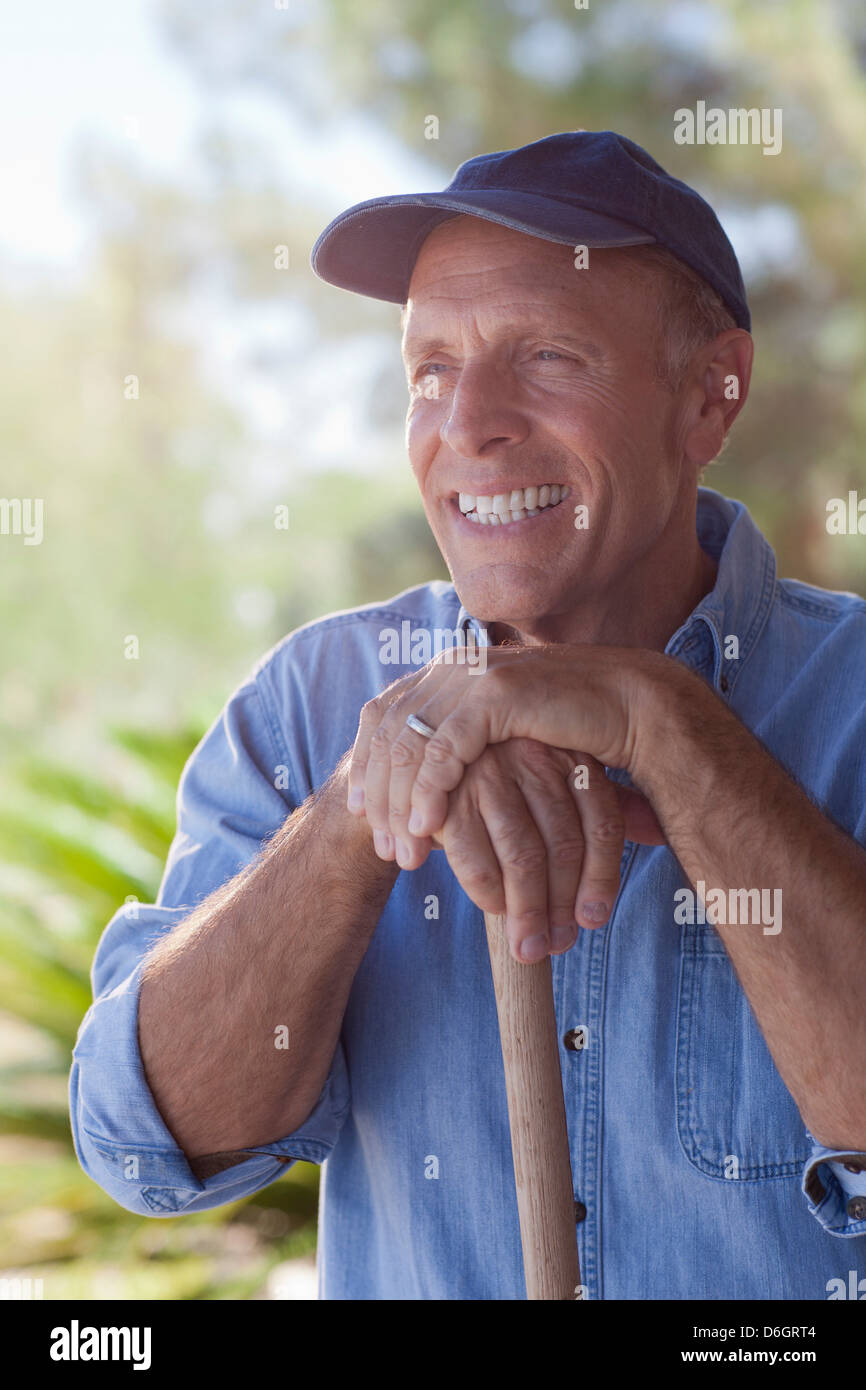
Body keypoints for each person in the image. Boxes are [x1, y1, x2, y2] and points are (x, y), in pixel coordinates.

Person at [70, 131, 866, 1300]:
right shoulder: (308, 709)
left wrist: (666, 727)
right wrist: (360, 806)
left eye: (546, 355)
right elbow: (152, 1146)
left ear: (710, 395)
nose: (467, 423)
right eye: (429, 370)